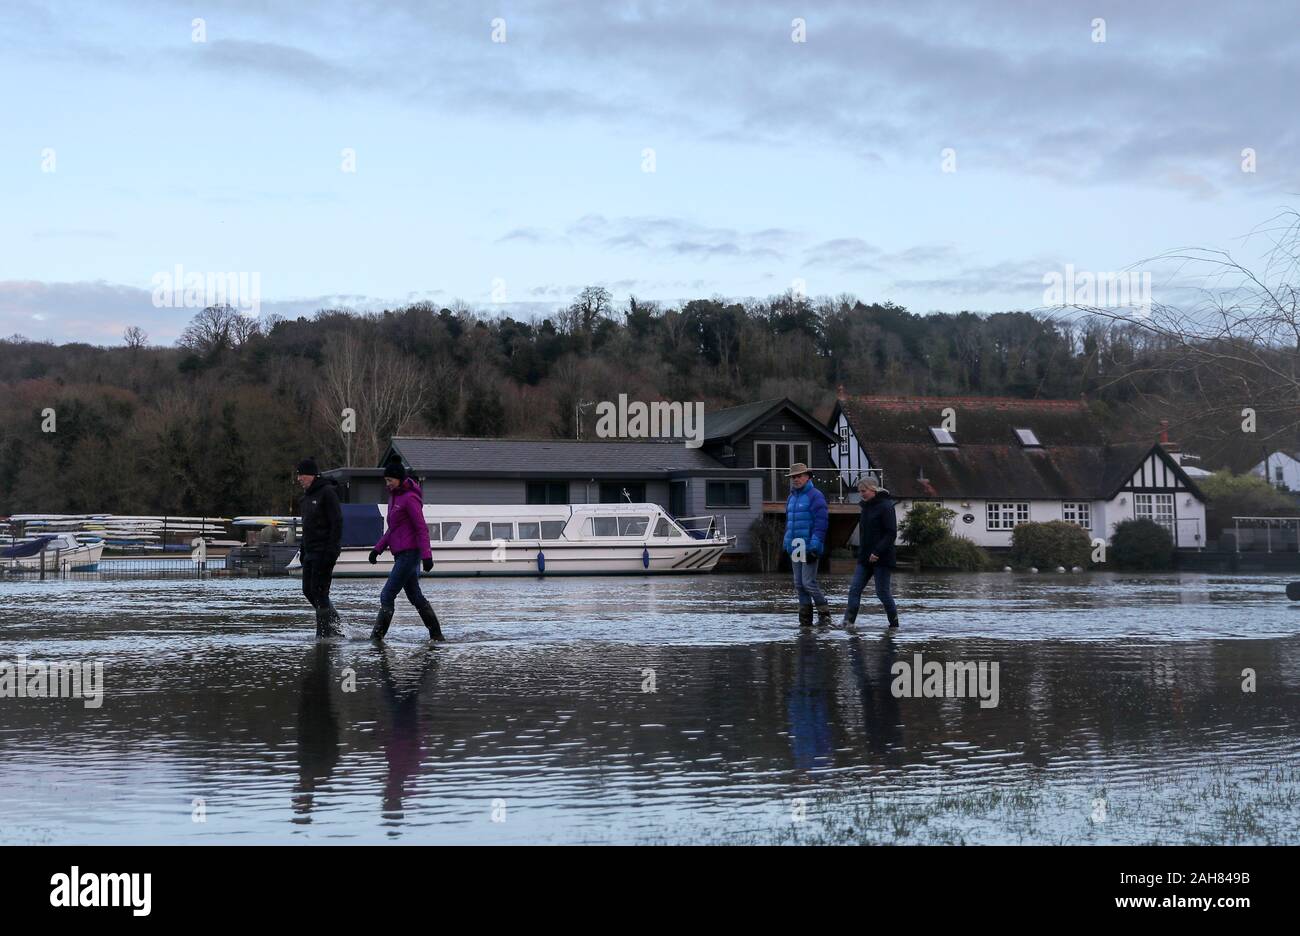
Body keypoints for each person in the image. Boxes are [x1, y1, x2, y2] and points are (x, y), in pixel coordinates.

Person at [369, 460, 443, 642]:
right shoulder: (393, 497)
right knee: (415, 596)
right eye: (386, 480)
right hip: (401, 554)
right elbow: (393, 528)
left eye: (390, 480)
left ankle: (376, 639)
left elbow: (421, 529)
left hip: (410, 554)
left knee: (387, 594)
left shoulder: (410, 498)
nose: (387, 484)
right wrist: (377, 549)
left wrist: (427, 557)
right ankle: (437, 635)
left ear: (400, 478)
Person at [842, 478, 899, 632]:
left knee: (882, 592)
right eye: (860, 491)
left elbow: (891, 533)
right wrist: (863, 553)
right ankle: (848, 622)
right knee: (854, 590)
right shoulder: (865, 508)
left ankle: (894, 624)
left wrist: (877, 552)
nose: (861, 494)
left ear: (873, 489)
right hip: (865, 557)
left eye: (863, 491)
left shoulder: (886, 506)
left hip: (882, 557)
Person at [297, 457, 344, 639]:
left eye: (301, 475)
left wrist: (332, 550)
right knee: (308, 590)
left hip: (324, 551)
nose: (299, 479)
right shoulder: (305, 499)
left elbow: (337, 523)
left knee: (320, 592)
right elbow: (306, 526)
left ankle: (324, 635)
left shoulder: (327, 492)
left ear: (311, 475)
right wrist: (302, 549)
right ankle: (336, 626)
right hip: (309, 552)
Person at [782, 462, 832, 628]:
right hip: (795, 545)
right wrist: (786, 543)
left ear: (808, 477)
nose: (796, 479)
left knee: (808, 583)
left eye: (799, 476)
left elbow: (821, 523)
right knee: (799, 584)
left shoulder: (815, 496)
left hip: (809, 545)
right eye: (793, 477)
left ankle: (824, 614)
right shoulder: (791, 497)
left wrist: (815, 546)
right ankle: (805, 622)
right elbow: (789, 523)